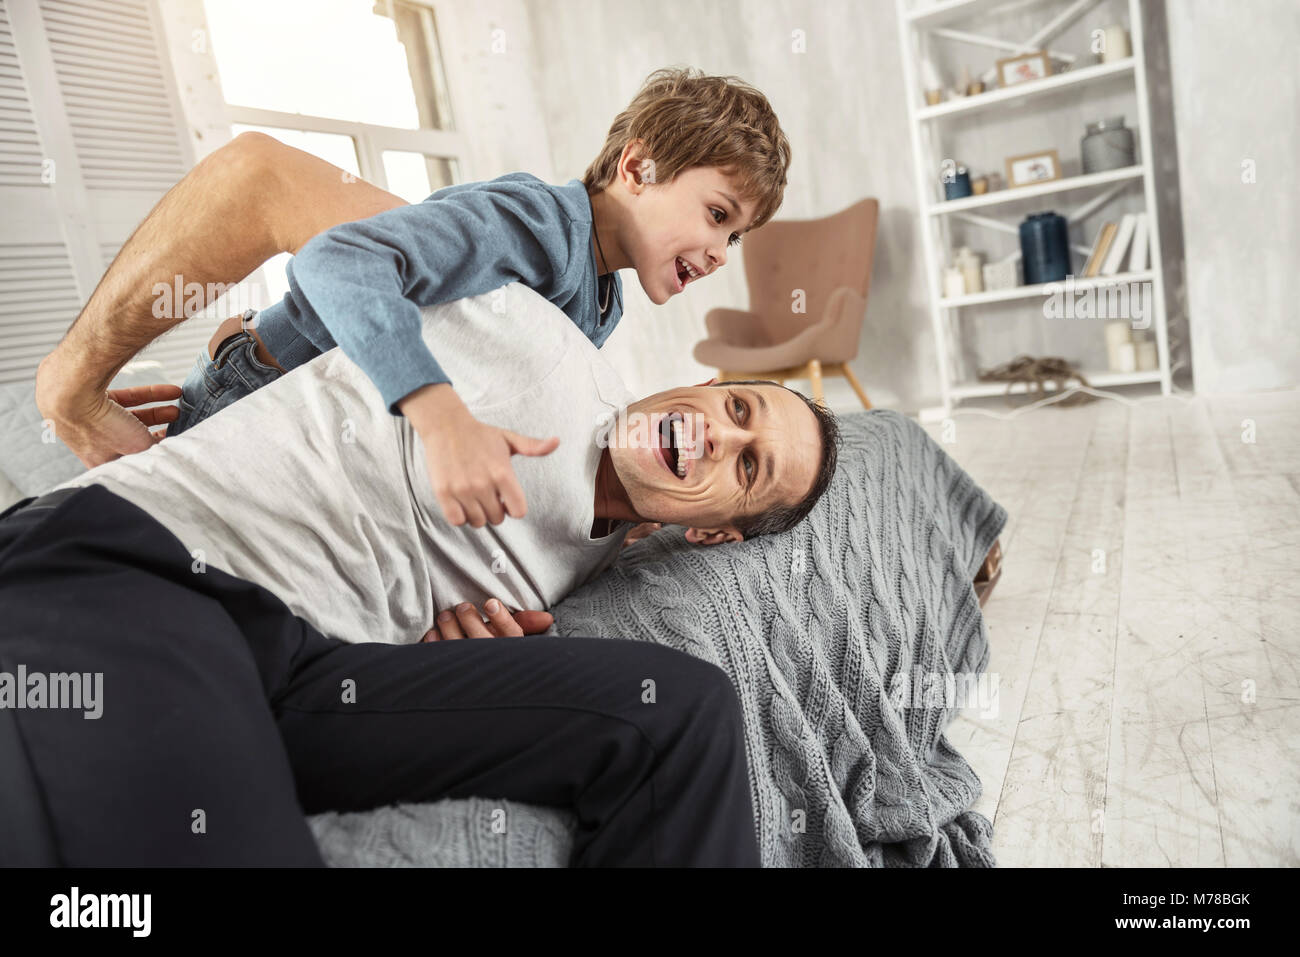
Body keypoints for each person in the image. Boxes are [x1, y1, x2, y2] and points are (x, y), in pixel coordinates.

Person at [0, 285, 838, 867]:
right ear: (701, 384)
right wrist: (75, 383)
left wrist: (449, 654)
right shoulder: (532, 332)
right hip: (159, 567)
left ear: (716, 532)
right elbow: (260, 184)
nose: (721, 438)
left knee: (684, 712)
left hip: (308, 669)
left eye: (750, 465)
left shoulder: (594, 558)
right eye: (738, 410)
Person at [35, 66, 793, 536]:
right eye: (719, 216)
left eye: (739, 239)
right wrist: (439, 414)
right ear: (637, 165)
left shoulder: (603, 303)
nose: (721, 255)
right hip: (262, 386)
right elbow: (338, 264)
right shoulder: (536, 223)